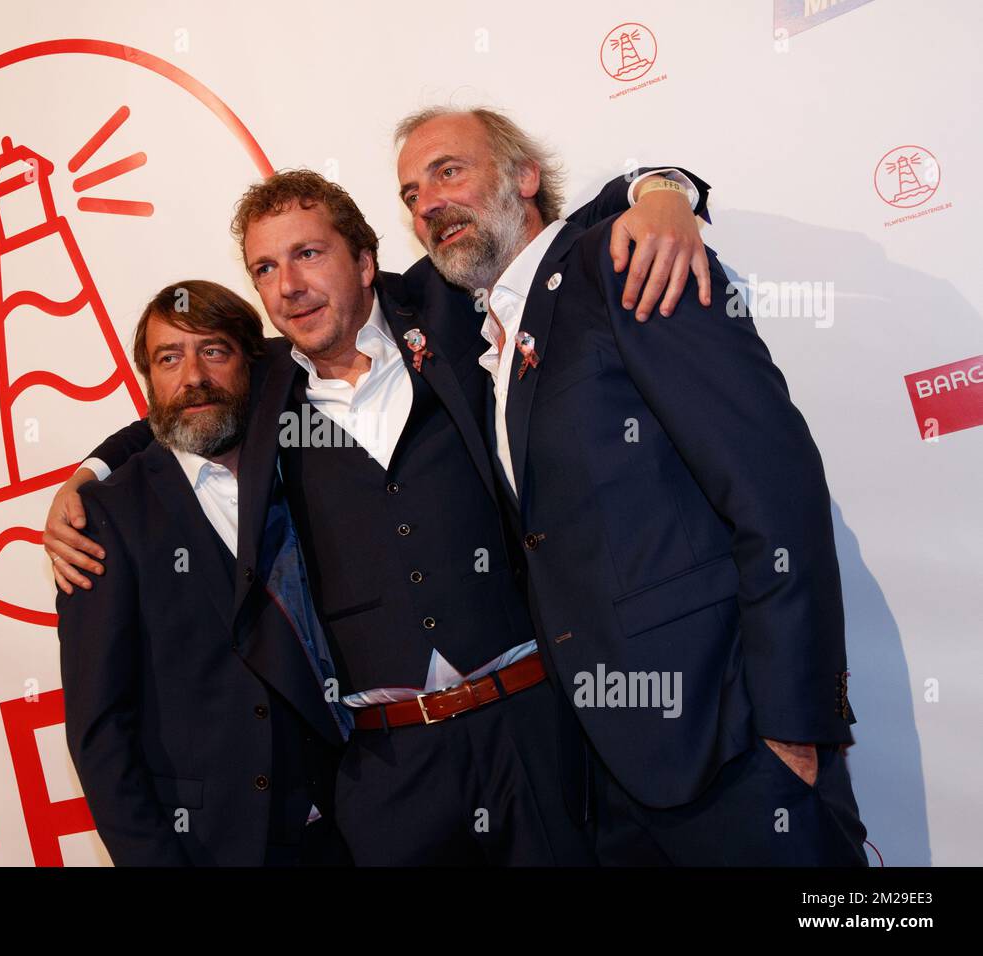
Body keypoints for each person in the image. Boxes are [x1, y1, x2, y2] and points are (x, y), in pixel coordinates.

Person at [51, 164, 712, 864]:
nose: (289, 285)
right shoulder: (266, 382)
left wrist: (661, 191)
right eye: (266, 268)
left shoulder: (446, 309)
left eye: (308, 254)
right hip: (387, 772)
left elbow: (550, 238)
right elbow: (180, 407)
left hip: (533, 729)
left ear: (366, 260)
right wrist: (88, 473)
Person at [394, 106, 868, 865]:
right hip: (614, 778)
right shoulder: (484, 341)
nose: (427, 202)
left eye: (449, 170)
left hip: (737, 747)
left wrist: (796, 721)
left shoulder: (621, 257)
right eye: (411, 193)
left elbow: (774, 485)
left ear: (524, 176)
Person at [57, 280, 351, 866]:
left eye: (213, 351)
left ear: (253, 362)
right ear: (148, 379)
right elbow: (101, 732)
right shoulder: (107, 518)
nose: (192, 376)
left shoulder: (307, 455)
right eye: (169, 358)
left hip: (364, 820)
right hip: (222, 848)